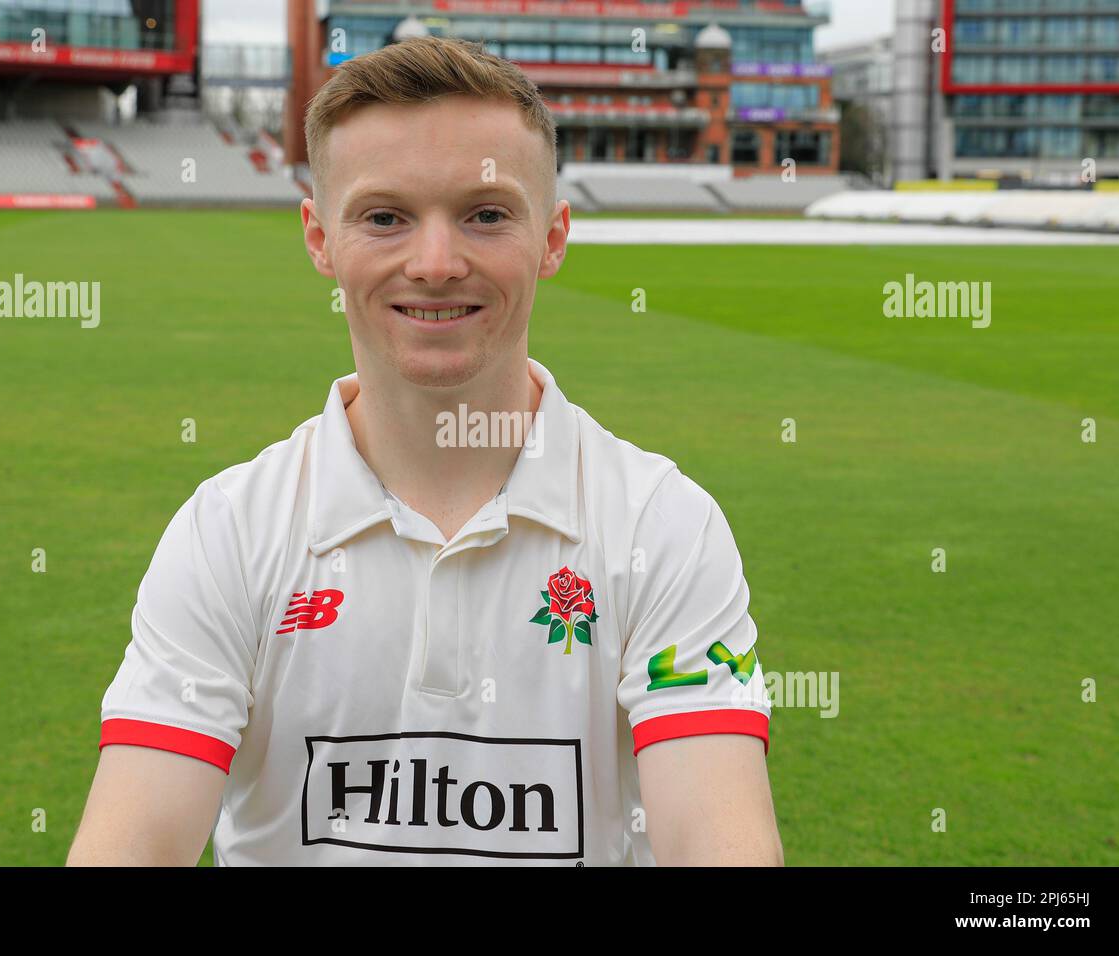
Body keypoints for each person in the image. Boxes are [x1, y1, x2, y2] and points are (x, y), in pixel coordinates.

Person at [67, 35, 781, 866]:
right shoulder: (227, 531)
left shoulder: (663, 527)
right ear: (319, 239)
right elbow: (132, 847)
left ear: (552, 239)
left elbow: (718, 845)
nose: (436, 265)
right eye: (384, 217)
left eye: (485, 214)